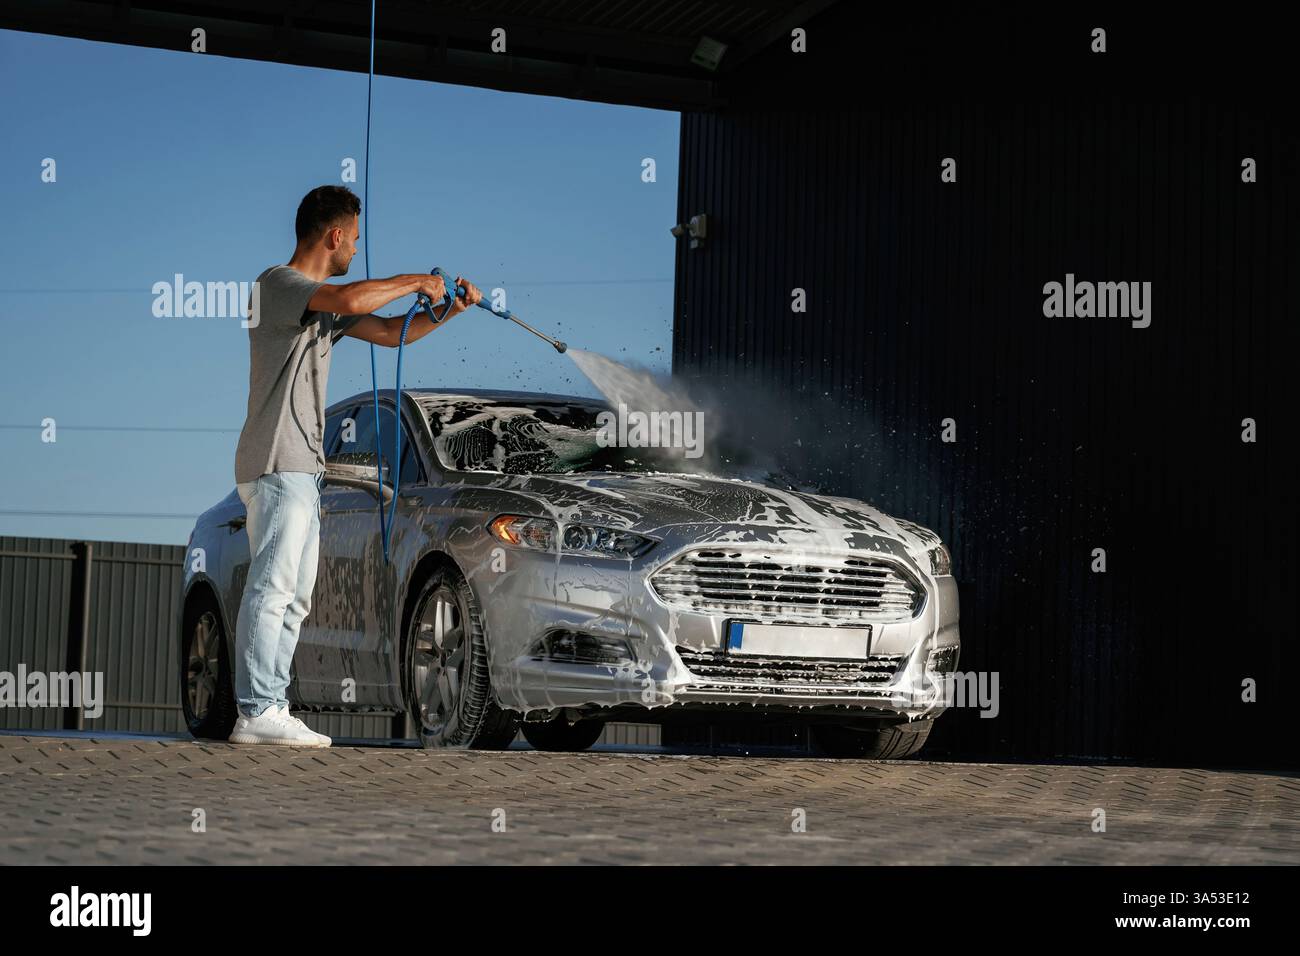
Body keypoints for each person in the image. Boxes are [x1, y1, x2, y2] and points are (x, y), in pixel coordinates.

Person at [228, 185, 481, 746]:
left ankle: (268, 707)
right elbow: (350, 300)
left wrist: (447, 310)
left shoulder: (319, 307)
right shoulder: (278, 284)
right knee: (272, 588)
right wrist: (416, 280)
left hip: (301, 466)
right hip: (277, 459)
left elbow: (391, 334)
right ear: (334, 235)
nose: (355, 250)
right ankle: (257, 708)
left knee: (294, 594)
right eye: (355, 240)